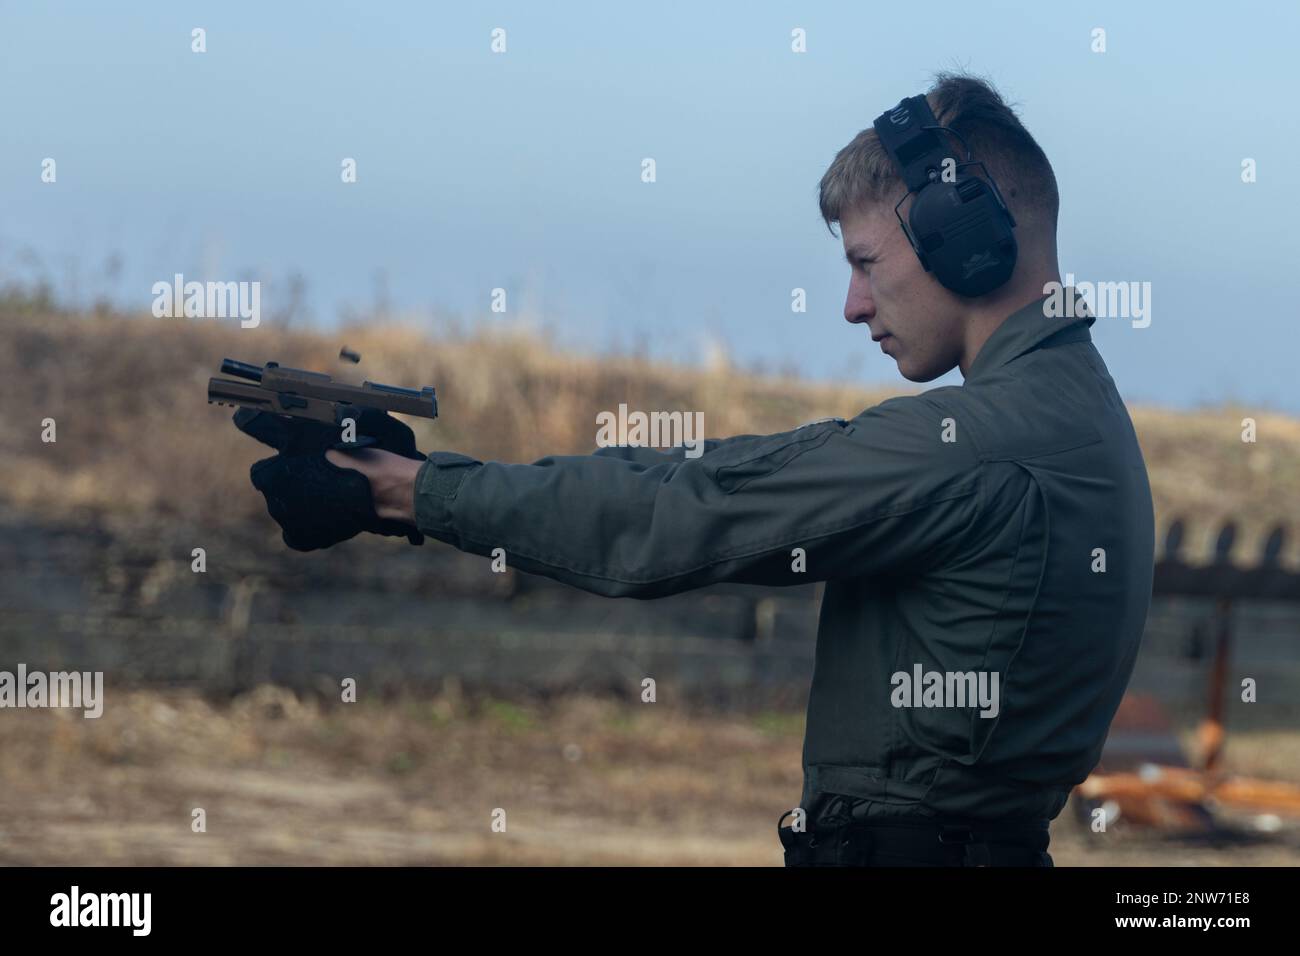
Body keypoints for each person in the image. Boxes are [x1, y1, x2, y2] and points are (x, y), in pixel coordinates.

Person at [237, 71, 1154, 867]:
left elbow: (687, 513)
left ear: (965, 235)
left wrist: (409, 490)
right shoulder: (1083, 417)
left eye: (868, 262)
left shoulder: (984, 443)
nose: (851, 304)